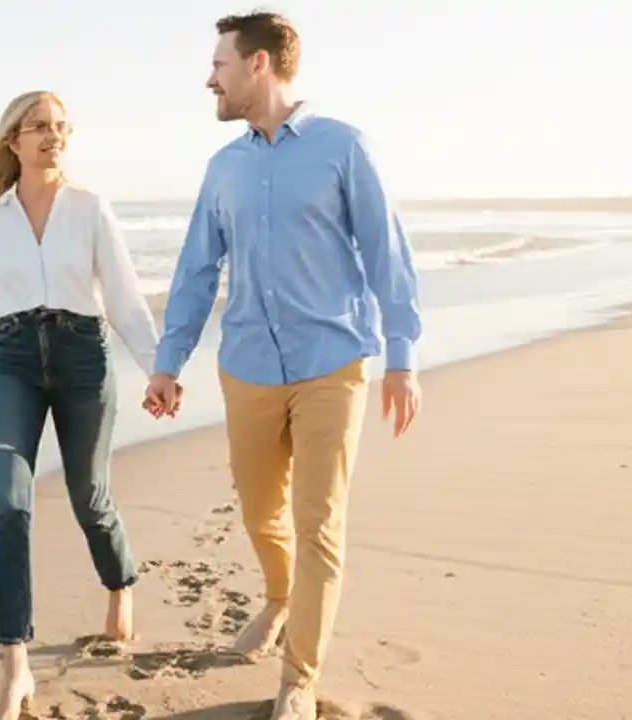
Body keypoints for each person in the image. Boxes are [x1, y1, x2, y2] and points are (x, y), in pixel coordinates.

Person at [144, 12, 423, 719]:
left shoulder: (342, 147)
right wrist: (169, 361)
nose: (211, 77)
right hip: (247, 367)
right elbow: (196, 271)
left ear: (259, 64)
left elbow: (387, 253)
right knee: (262, 513)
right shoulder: (223, 167)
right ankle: (277, 597)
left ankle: (299, 679)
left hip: (334, 362)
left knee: (319, 522)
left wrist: (403, 358)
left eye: (220, 64)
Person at [0, 90, 162, 720]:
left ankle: (120, 585)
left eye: (61, 127)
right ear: (12, 140)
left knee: (88, 496)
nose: (53, 136)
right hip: (13, 363)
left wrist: (161, 370)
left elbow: (123, 298)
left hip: (81, 358)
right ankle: (15, 666)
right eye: (39, 126)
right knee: (7, 508)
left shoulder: (90, 208)